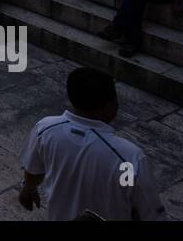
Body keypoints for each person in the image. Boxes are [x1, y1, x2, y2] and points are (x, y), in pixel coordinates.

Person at [19, 67, 165, 220]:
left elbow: (34, 169)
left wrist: (27, 188)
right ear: (107, 107)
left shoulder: (45, 129)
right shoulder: (128, 159)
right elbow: (151, 213)